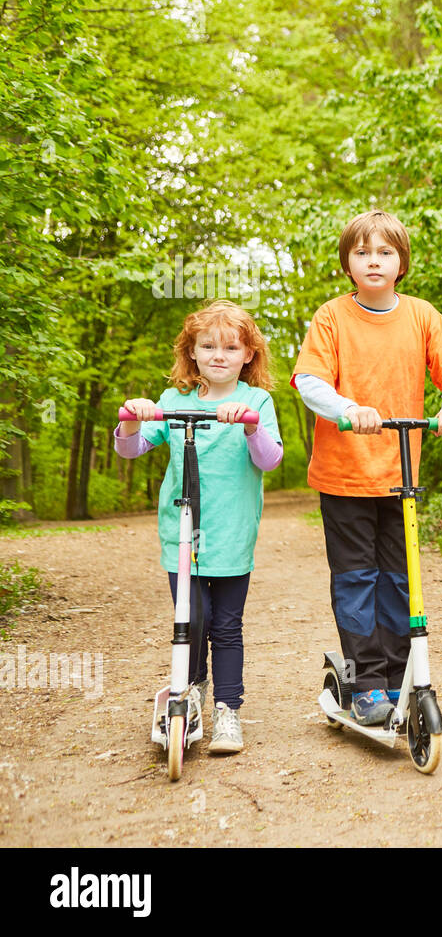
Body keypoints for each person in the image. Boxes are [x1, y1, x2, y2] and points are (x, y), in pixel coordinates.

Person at [292, 209, 442, 726]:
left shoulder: (421, 315)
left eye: (385, 252)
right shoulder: (331, 317)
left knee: (400, 581)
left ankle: (399, 674)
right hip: (344, 476)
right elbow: (310, 382)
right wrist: (347, 409)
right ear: (348, 264)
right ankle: (367, 683)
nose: (374, 261)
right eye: (363, 252)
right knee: (356, 580)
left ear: (401, 263)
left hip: (401, 479)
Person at [115, 300, 283, 754]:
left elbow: (270, 458)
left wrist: (249, 427)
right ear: (191, 351)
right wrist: (131, 418)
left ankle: (228, 709)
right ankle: (190, 693)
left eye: (231, 347)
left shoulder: (256, 401)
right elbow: (132, 450)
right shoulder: (174, 401)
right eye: (207, 345)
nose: (219, 355)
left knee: (226, 625)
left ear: (249, 354)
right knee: (190, 620)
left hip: (231, 533)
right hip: (182, 533)